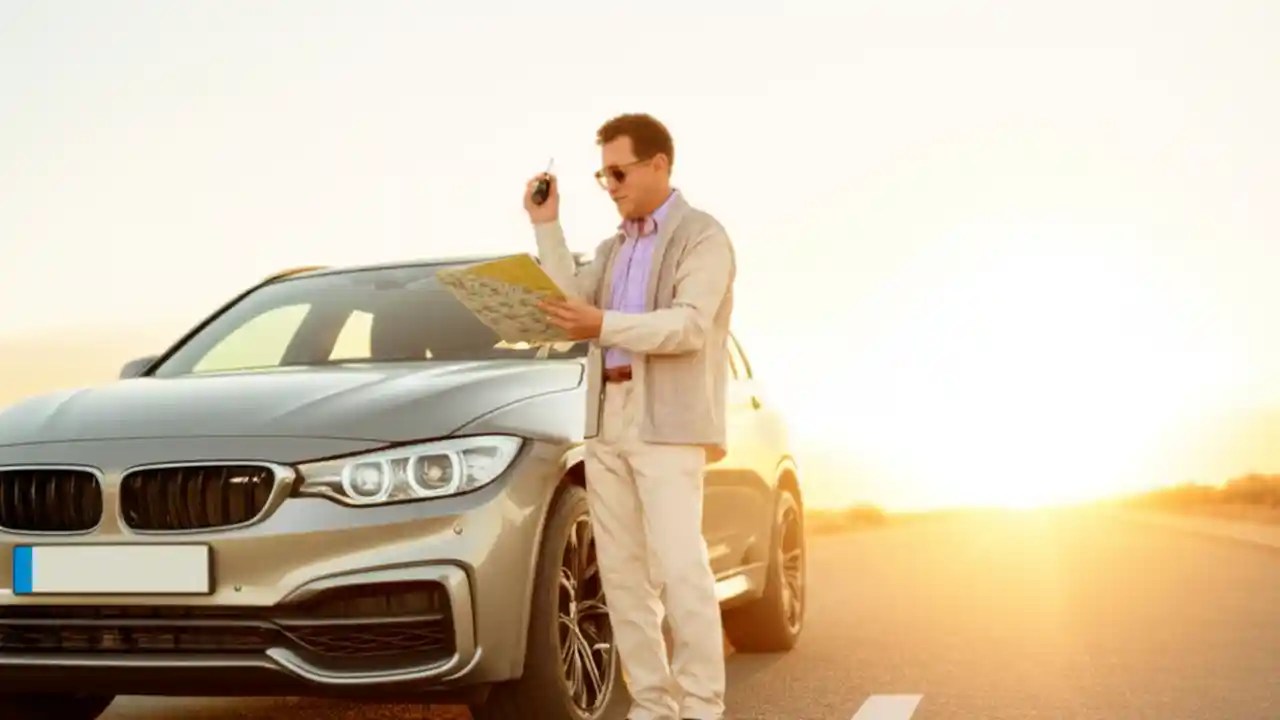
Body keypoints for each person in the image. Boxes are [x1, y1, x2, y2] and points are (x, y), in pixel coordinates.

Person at [523, 113, 735, 720]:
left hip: (666, 423)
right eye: (602, 175)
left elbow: (690, 324)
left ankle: (700, 707)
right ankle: (652, 705)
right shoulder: (615, 248)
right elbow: (571, 302)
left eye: (618, 172)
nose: (610, 186)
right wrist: (546, 225)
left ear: (658, 165)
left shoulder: (703, 236)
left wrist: (604, 325)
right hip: (606, 419)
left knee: (679, 566)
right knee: (621, 575)